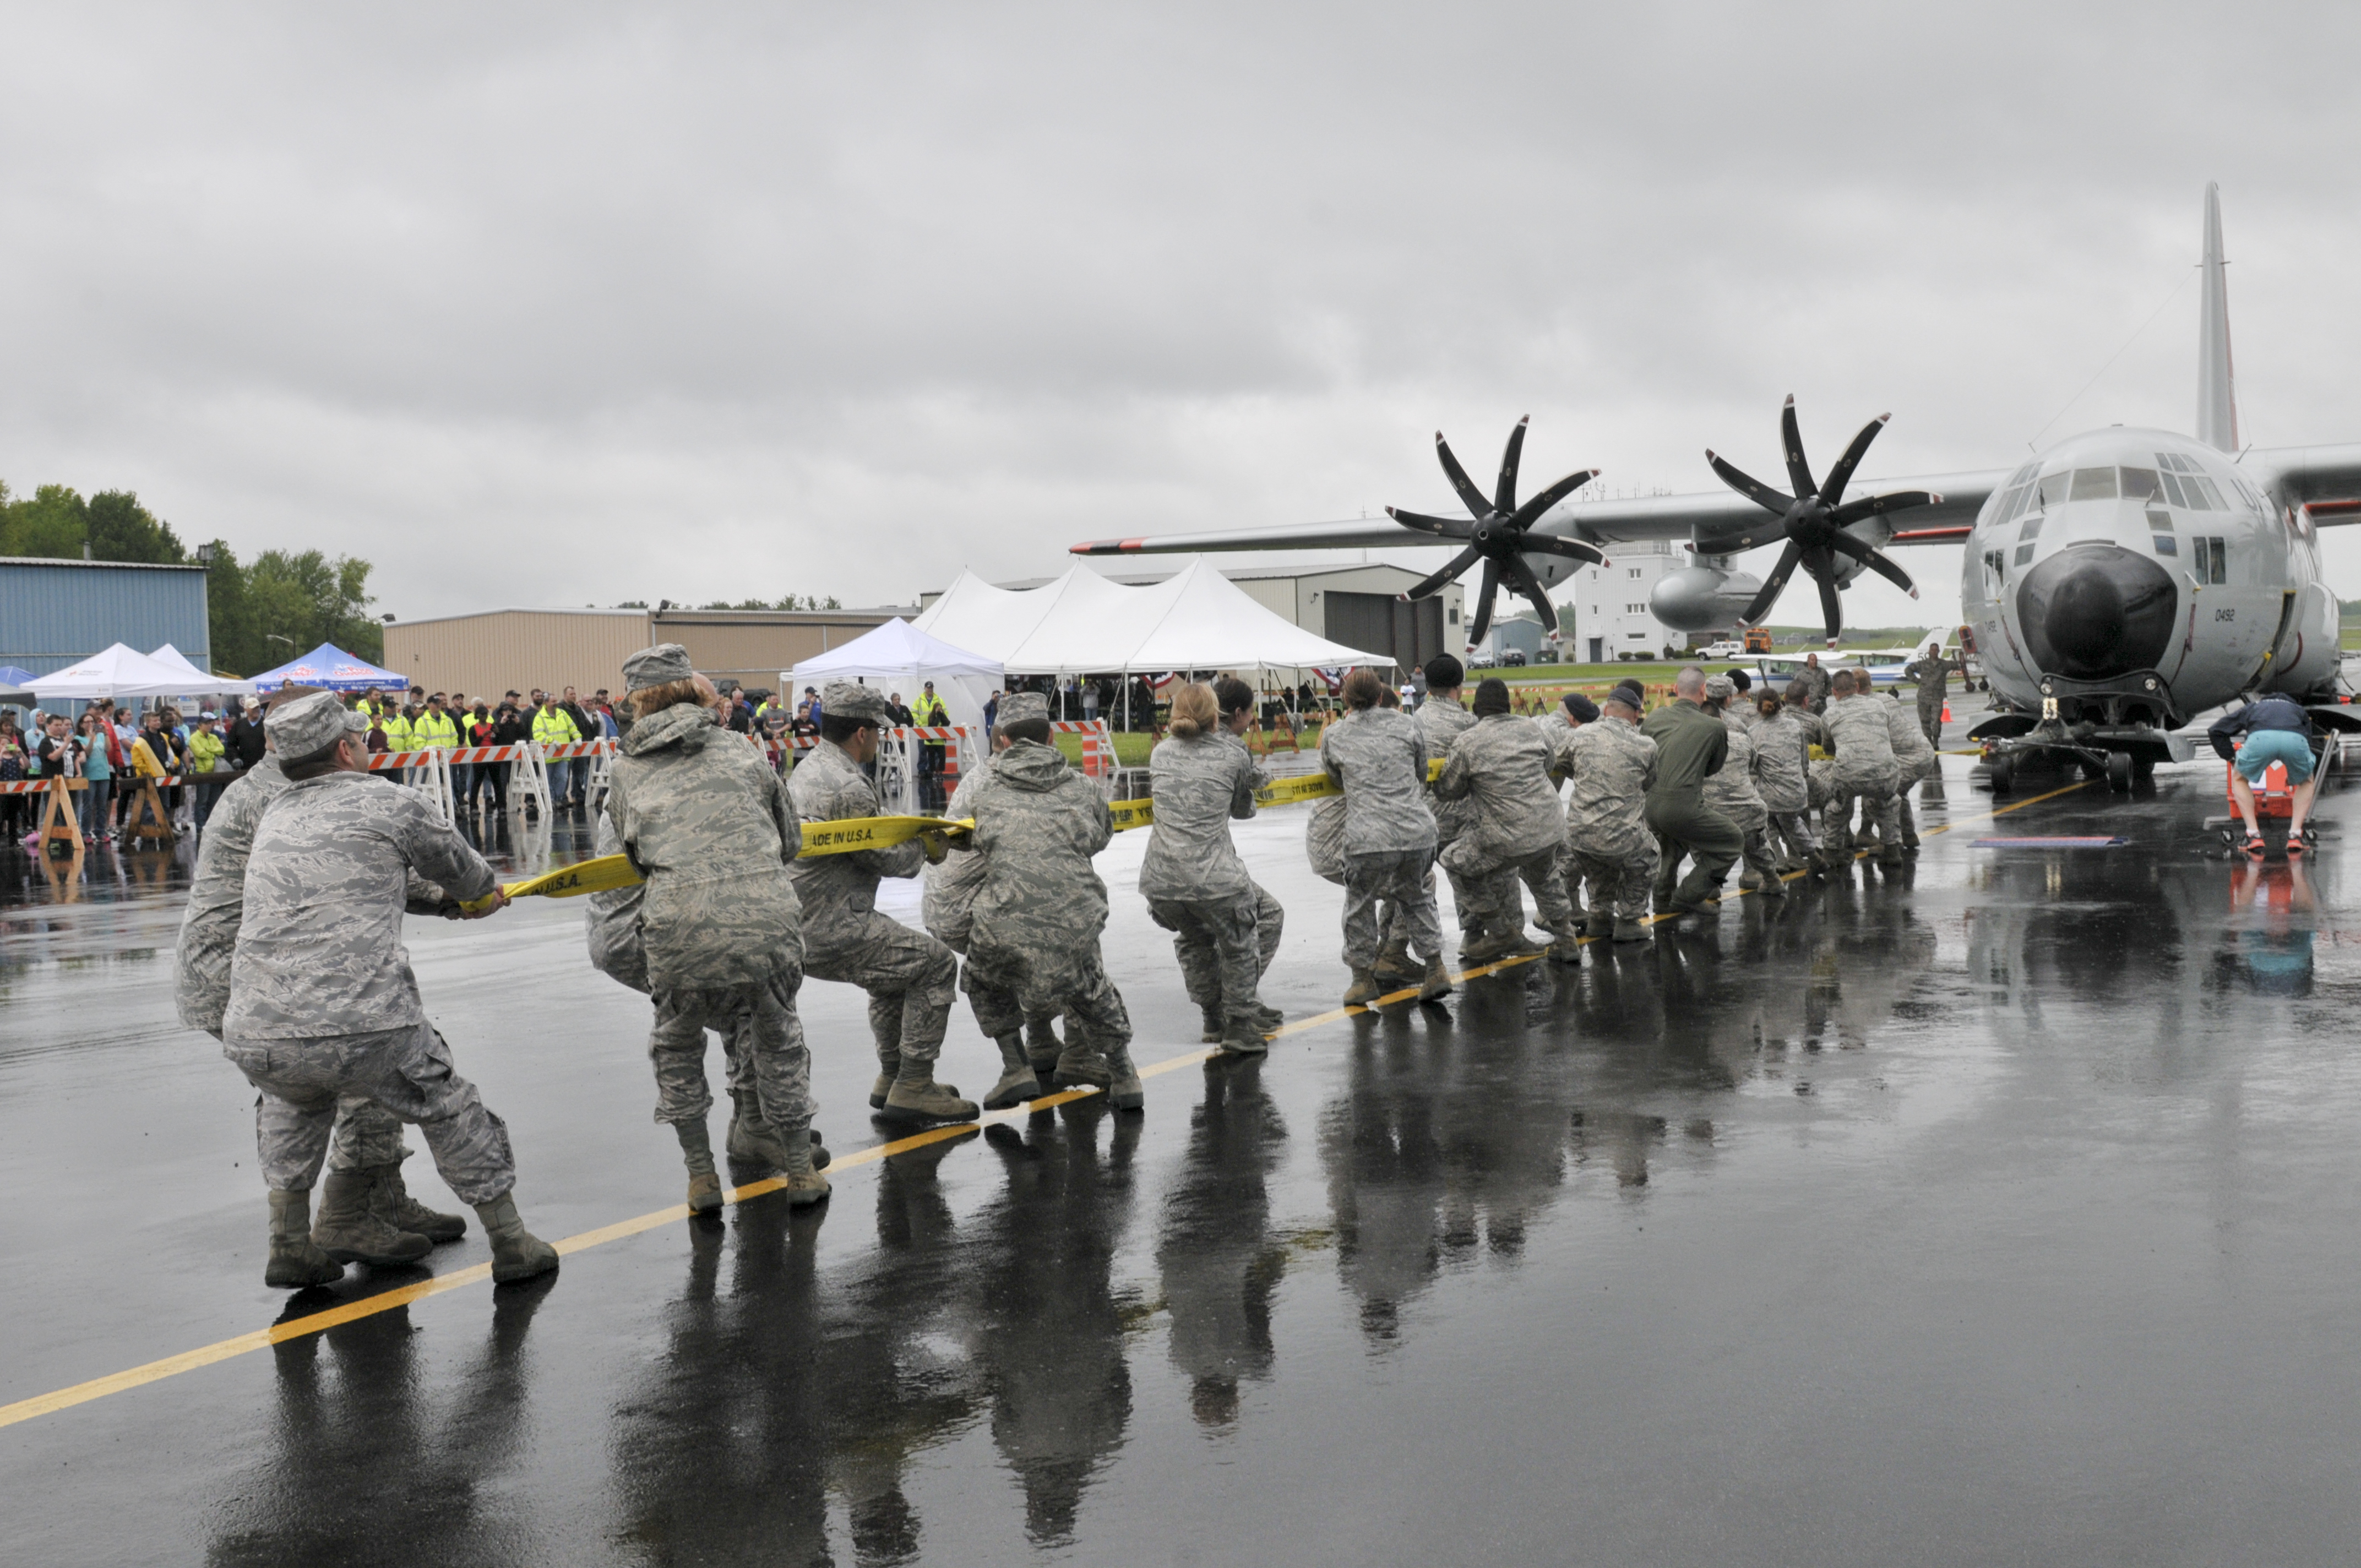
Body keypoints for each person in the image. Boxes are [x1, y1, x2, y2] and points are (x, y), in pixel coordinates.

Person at [216, 692, 556, 1289]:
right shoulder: (392, 800)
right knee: (448, 1107)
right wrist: (477, 898)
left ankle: (290, 1245)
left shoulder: (273, 814)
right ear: (345, 749)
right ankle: (511, 1242)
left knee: (294, 1103)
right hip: (364, 1019)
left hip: (256, 1025)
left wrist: (446, 902)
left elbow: (361, 881)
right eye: (361, 738)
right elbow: (466, 872)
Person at [603, 645, 828, 1211]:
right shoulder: (744, 752)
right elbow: (791, 840)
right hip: (766, 921)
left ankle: (701, 1179)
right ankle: (801, 1172)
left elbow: (634, 859)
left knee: (677, 1047)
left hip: (680, 929)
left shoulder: (626, 771)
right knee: (779, 1040)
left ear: (638, 700)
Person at [790, 680, 972, 1124]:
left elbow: (868, 829)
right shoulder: (850, 786)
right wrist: (930, 847)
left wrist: (908, 826)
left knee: (894, 973)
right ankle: (913, 1083)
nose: (882, 738)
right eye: (880, 731)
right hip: (831, 925)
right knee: (936, 964)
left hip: (800, 918)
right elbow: (883, 858)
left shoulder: (809, 769)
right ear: (861, 734)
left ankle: (894, 1076)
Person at [956, 691, 1146, 1110]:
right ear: (1052, 738)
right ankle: (1124, 1073)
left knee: (980, 979)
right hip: (1076, 920)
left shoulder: (981, 789)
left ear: (1002, 741)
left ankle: (1015, 1067)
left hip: (1006, 925)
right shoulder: (1082, 787)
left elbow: (962, 846)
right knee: (1092, 986)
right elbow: (1099, 837)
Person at [1140, 680, 1286, 1057]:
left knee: (1196, 938)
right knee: (1248, 935)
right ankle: (1239, 1022)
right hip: (1213, 876)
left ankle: (1212, 1017)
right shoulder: (1232, 755)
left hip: (1161, 881)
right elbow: (1243, 810)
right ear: (1214, 716)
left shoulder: (1160, 754)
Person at [1321, 667, 1448, 1005]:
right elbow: (1421, 772)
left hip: (1368, 837)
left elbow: (1334, 776)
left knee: (1359, 904)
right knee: (1416, 896)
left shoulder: (1335, 735)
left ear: (1346, 700)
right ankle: (1435, 968)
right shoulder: (1407, 724)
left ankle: (1362, 979)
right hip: (1417, 831)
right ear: (1381, 696)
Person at [1434, 677, 1580, 961]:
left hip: (1507, 833)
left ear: (1476, 708)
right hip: (1549, 825)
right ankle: (1567, 940)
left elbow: (1448, 791)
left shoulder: (1468, 741)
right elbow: (1548, 764)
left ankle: (1501, 931)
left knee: (1453, 860)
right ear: (1509, 705)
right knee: (1544, 878)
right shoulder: (1531, 728)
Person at [1639, 667, 1743, 928]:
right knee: (1731, 841)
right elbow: (1713, 768)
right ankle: (1688, 897)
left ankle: (1662, 899)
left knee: (1672, 847)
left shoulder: (1654, 719)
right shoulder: (1714, 727)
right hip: (1683, 803)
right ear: (1703, 691)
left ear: (1675, 690)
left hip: (1650, 803)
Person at [1562, 683, 1659, 943]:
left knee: (1599, 867)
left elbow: (1558, 762)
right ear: (1636, 714)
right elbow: (1649, 783)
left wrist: (1586, 774)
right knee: (1649, 856)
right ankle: (1628, 920)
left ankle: (1600, 917)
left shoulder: (1579, 736)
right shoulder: (1646, 745)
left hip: (1578, 835)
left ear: (1606, 710)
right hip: (1621, 835)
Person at [1413, 654, 1489, 961]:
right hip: (1461, 816)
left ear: (1427, 687)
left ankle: (1396, 948)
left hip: (1421, 817)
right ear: (1460, 686)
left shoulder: (1414, 720)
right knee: (1469, 876)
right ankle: (1474, 934)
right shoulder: (1469, 723)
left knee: (1414, 885)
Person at [1700, 674, 1783, 897]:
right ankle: (1762, 876)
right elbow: (1753, 763)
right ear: (1729, 699)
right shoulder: (1738, 728)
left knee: (1703, 841)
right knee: (1754, 840)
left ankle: (1711, 884)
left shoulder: (1694, 730)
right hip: (1747, 801)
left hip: (1710, 806)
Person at [2210, 693, 2322, 856]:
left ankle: (2253, 835)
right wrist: (2294, 775)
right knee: (2306, 781)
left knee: (2240, 779)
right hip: (2295, 739)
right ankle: (2295, 835)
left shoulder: (2254, 707)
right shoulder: (2298, 709)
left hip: (2260, 739)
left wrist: (2232, 758)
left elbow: (2216, 730)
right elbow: (2307, 741)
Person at [1824, 668, 1903, 865]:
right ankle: (1892, 850)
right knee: (1888, 802)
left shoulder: (1830, 714)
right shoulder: (1878, 705)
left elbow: (1828, 748)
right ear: (1857, 687)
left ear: (1834, 692)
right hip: (1884, 772)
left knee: (1838, 805)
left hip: (1848, 775)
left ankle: (1831, 853)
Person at [1748, 687, 1818, 874]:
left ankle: (1778, 860)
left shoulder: (1753, 732)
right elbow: (1804, 763)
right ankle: (1805, 855)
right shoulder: (1795, 726)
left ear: (1758, 708)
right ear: (1781, 705)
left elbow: (1753, 766)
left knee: (1767, 823)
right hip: (1797, 792)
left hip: (1770, 796)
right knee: (1793, 820)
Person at [1881, 680, 1939, 852]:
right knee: (1898, 790)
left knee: (1880, 793)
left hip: (1910, 758)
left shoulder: (1867, 706)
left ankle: (1890, 843)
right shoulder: (1887, 699)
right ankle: (1909, 836)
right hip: (1925, 752)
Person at [1902, 640, 1966, 751]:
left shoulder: (1944, 664)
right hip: (1923, 696)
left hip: (1938, 697)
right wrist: (1916, 681)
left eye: (1937, 650)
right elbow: (1908, 670)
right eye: (1933, 650)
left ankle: (1936, 740)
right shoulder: (1922, 664)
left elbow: (1958, 665)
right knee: (1925, 720)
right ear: (1929, 651)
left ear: (1939, 652)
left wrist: (1960, 659)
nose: (1934, 652)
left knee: (1936, 720)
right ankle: (1928, 740)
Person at [534, 693, 583, 810]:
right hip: (548, 755)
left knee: (563, 778)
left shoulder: (563, 714)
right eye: (553, 702)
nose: (556, 703)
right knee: (548, 780)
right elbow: (538, 735)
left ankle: (559, 799)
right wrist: (552, 741)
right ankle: (551, 801)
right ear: (546, 703)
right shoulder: (540, 718)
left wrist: (577, 737)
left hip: (563, 754)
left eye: (556, 701)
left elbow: (572, 727)